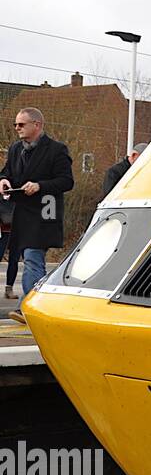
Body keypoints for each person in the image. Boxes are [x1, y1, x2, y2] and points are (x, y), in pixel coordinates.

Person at [0, 107, 74, 324]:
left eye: (21, 124)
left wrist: (40, 186)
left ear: (37, 125)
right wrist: (3, 181)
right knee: (27, 259)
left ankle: (27, 307)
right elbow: (7, 173)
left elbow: (67, 181)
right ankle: (35, 306)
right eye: (15, 124)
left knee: (32, 258)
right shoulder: (15, 149)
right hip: (21, 214)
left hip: (44, 212)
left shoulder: (57, 150)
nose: (17, 128)